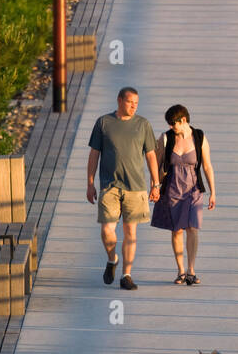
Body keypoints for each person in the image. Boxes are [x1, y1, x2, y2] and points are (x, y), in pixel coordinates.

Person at [87, 87, 161, 290]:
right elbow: (94, 154)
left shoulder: (143, 124)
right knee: (107, 230)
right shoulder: (104, 122)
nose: (134, 106)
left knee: (130, 232)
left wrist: (156, 184)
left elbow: (151, 155)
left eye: (136, 102)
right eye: (130, 102)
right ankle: (112, 259)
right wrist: (90, 183)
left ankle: (126, 275)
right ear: (119, 100)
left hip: (135, 187)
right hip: (109, 186)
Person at [150, 104, 217, 284]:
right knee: (177, 230)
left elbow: (208, 166)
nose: (171, 127)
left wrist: (213, 192)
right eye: (170, 124)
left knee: (193, 228)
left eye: (174, 123)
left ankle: (191, 270)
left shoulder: (199, 137)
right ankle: (180, 270)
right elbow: (155, 165)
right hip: (172, 189)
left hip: (193, 190)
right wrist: (154, 186)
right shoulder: (166, 138)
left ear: (183, 120)